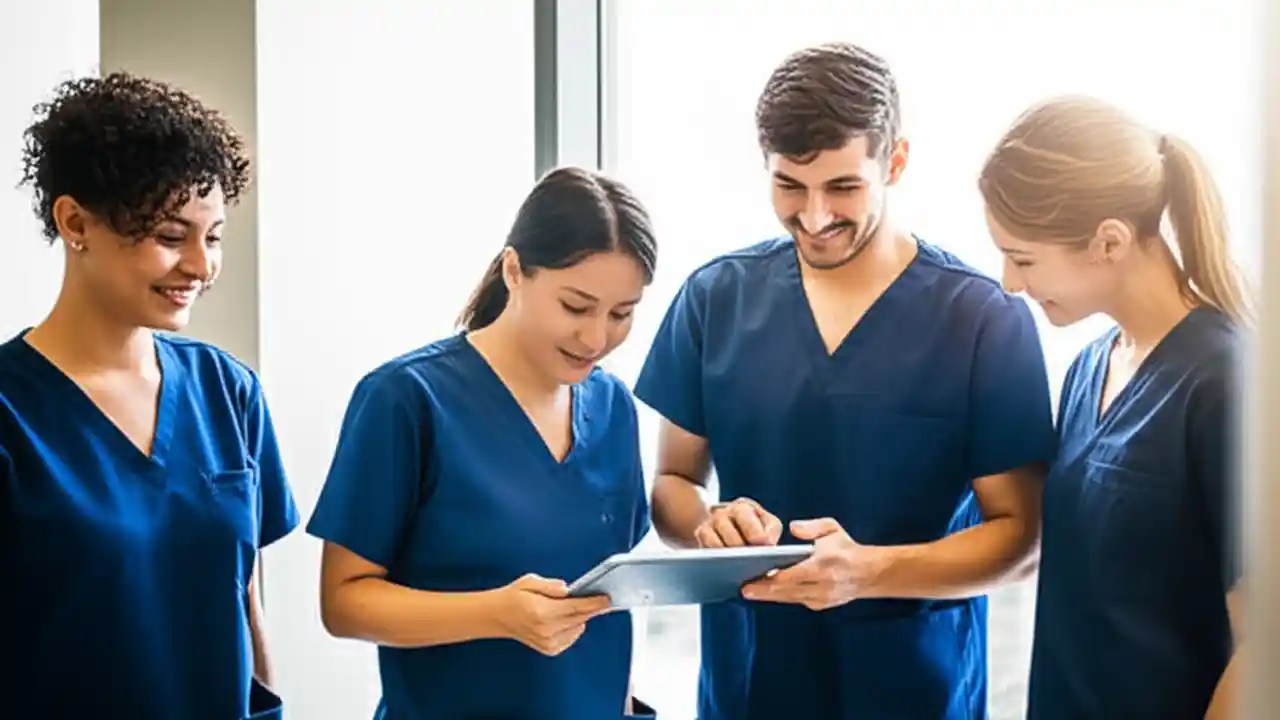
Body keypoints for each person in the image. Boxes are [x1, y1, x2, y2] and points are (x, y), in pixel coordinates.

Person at [633, 41, 1058, 720]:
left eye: (843, 187)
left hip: (916, 688)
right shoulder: (715, 299)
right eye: (789, 186)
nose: (814, 215)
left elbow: (1021, 538)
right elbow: (672, 486)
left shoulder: (984, 318)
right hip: (751, 685)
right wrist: (710, 522)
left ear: (895, 161)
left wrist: (869, 572)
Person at [307, 166, 659, 719]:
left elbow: (612, 600)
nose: (596, 338)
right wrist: (496, 614)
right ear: (514, 270)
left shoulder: (613, 408)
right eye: (575, 306)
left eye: (622, 314)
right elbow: (344, 601)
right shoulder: (406, 399)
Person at [0, 73, 299, 718]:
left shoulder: (229, 392)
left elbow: (245, 602)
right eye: (170, 236)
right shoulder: (10, 412)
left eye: (213, 235)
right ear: (75, 222)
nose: (202, 265)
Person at [979, 95, 1250, 720]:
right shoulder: (1087, 371)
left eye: (1022, 258)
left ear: (1108, 242)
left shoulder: (1225, 382)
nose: (1009, 283)